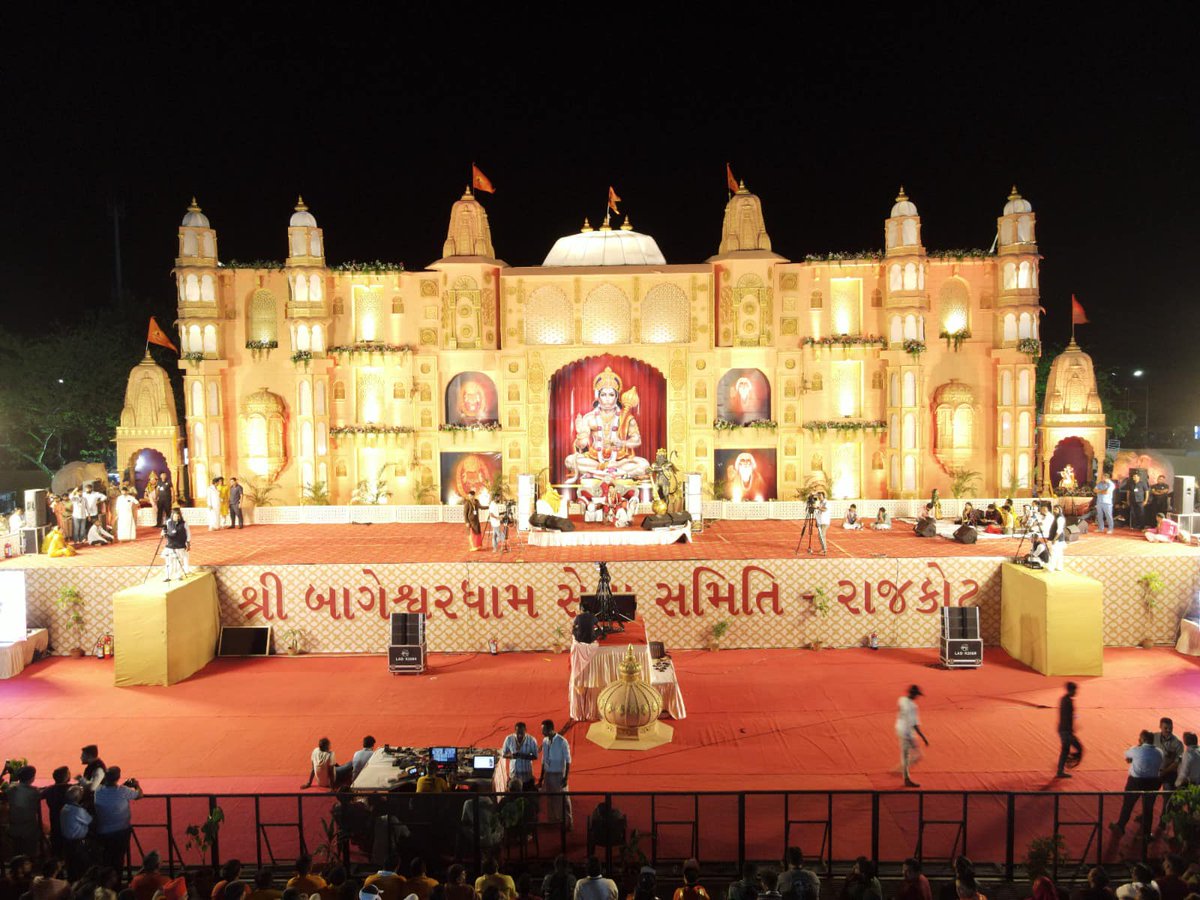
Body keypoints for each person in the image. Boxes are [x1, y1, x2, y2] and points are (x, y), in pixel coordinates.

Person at [566, 367, 650, 480]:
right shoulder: (589, 417)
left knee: (644, 465)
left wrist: (622, 443)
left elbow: (637, 440)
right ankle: (614, 474)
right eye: (603, 395)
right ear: (598, 397)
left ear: (616, 397)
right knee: (570, 461)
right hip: (594, 459)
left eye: (611, 395)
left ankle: (598, 474)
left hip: (619, 461)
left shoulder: (626, 418)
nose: (607, 399)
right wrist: (580, 436)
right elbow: (581, 445)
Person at [1110, 730, 1164, 836]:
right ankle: (1147, 833)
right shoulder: (1159, 752)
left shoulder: (1136, 750)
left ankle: (1121, 826)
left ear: (1142, 740)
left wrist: (1136, 751)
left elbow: (1127, 755)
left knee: (1128, 804)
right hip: (1153, 782)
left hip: (1136, 782)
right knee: (1148, 808)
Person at [93, 766, 143, 871]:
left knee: (105, 860)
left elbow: (112, 791)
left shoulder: (98, 790)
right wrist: (136, 785)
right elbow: (139, 795)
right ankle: (116, 883)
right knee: (118, 859)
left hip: (102, 832)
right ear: (118, 777)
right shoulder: (123, 791)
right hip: (121, 831)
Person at [539, 718, 573, 829]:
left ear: (550, 729)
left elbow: (568, 761)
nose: (542, 732)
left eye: (543, 730)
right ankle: (553, 820)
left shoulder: (562, 742)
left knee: (564, 799)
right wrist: (541, 777)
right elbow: (544, 759)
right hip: (549, 774)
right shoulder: (545, 741)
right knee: (551, 798)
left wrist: (566, 777)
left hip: (559, 774)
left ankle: (568, 822)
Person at [6, 765, 43, 859]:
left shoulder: (11, 788)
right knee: (30, 854)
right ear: (31, 778)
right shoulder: (34, 792)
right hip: (29, 829)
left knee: (17, 853)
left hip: (14, 828)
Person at [896, 685, 929, 788]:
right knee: (917, 755)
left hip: (899, 729)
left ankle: (904, 771)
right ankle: (905, 774)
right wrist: (923, 737)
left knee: (905, 755)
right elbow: (914, 725)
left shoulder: (901, 700)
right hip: (907, 733)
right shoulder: (913, 707)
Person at [42, 766, 72, 857]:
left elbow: (40, 795)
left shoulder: (49, 790)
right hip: (70, 826)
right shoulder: (72, 789)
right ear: (67, 777)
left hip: (55, 824)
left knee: (56, 850)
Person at [1055, 682, 1082, 778]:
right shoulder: (1068, 701)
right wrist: (1070, 731)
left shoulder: (1064, 699)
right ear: (1071, 690)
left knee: (1065, 750)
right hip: (1066, 731)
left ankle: (1061, 769)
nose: (1076, 692)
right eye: (1075, 690)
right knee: (1078, 748)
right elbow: (1067, 716)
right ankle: (1066, 764)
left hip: (1063, 729)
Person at [502, 721, 539, 792]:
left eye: (522, 733)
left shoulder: (532, 740)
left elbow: (535, 756)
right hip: (514, 776)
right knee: (513, 798)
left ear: (525, 730)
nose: (519, 735)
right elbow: (503, 754)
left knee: (527, 798)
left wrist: (523, 756)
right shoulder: (509, 739)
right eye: (518, 732)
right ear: (515, 731)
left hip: (527, 777)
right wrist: (511, 756)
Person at [163, 508, 192, 581]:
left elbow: (188, 533)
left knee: (178, 561)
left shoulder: (184, 523)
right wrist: (163, 533)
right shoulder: (168, 522)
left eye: (178, 516)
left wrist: (188, 542)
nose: (176, 518)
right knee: (169, 562)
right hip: (170, 545)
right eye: (175, 516)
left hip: (180, 545)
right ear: (172, 515)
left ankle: (178, 575)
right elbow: (164, 530)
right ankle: (168, 576)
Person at [1048, 504, 1068, 572]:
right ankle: (1059, 567)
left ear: (1060, 510)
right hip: (1057, 539)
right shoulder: (1057, 517)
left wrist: (1054, 539)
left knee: (1054, 554)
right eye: (1053, 509)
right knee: (1059, 554)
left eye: (1056, 509)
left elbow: (1059, 530)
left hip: (1057, 540)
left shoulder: (1060, 518)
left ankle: (1051, 568)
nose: (1054, 511)